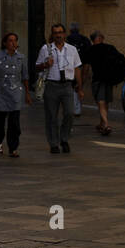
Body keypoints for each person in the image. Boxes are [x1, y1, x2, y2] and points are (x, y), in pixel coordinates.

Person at [35, 22, 83, 153]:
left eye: (60, 32)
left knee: (69, 113)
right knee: (51, 116)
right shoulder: (46, 48)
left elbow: (77, 67)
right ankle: (53, 143)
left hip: (67, 85)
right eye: (56, 33)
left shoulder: (72, 49)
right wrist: (45, 64)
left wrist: (80, 87)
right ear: (52, 35)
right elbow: (37, 66)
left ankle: (64, 138)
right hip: (51, 85)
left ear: (64, 34)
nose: (58, 35)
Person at [0, 31, 31, 156]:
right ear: (5, 43)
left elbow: (25, 77)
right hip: (0, 92)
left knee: (14, 122)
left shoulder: (21, 57)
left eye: (15, 40)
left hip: (16, 92)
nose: (13, 43)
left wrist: (27, 93)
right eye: (10, 41)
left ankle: (13, 147)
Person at [82, 31, 125, 135]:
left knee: (100, 101)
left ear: (92, 40)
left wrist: (82, 81)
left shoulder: (90, 50)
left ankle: (106, 124)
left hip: (98, 79)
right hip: (109, 79)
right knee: (105, 102)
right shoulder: (110, 48)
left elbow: (86, 67)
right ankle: (101, 123)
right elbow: (121, 58)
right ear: (102, 38)